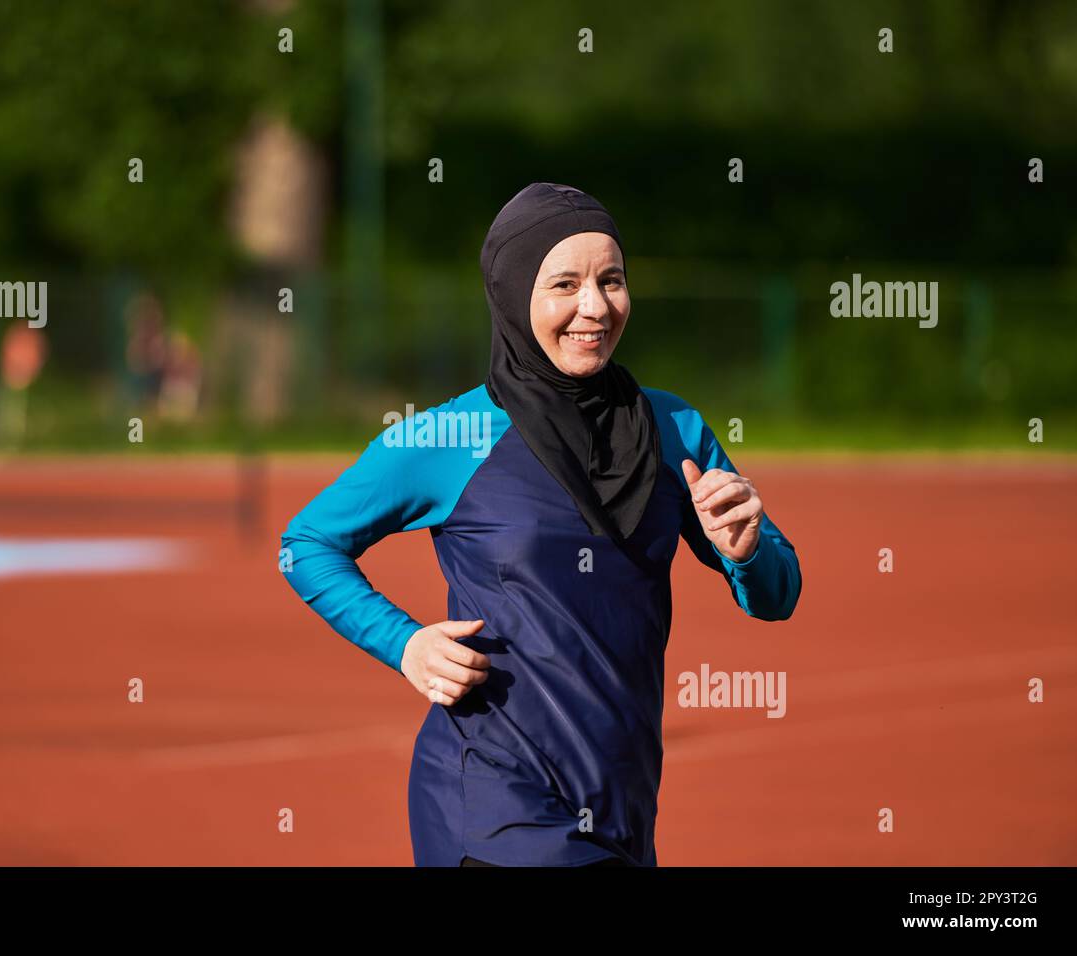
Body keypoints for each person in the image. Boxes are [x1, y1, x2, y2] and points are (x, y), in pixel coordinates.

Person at [280, 183, 802, 867]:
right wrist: (404, 645)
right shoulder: (454, 436)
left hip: (622, 802)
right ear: (513, 293)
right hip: (491, 807)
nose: (595, 307)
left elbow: (778, 594)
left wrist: (746, 549)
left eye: (611, 281)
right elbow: (308, 543)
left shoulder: (673, 427)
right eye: (565, 284)